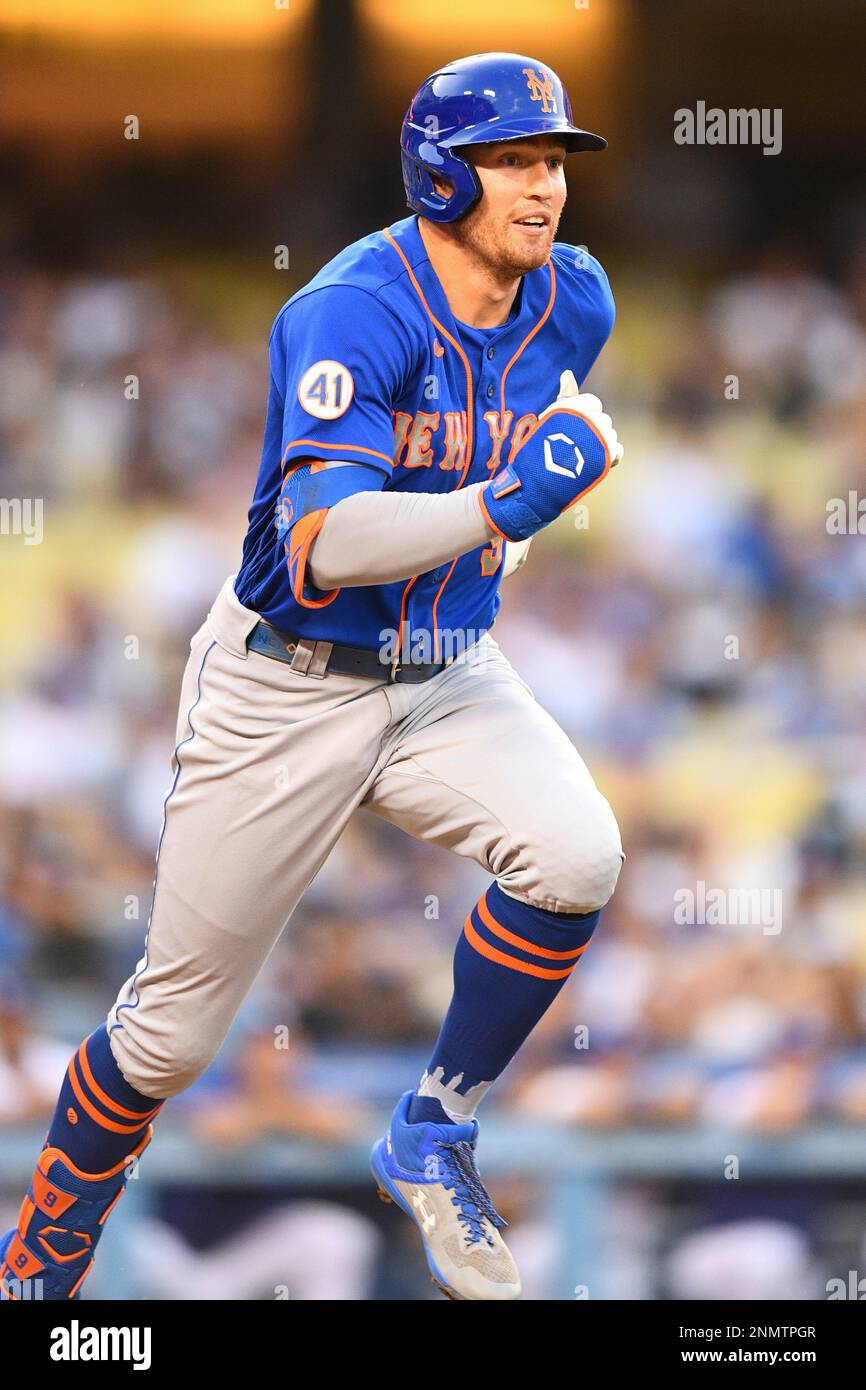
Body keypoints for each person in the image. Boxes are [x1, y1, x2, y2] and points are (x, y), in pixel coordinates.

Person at [1, 51, 624, 1303]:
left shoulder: (577, 300)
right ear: (440, 175)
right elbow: (326, 544)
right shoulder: (352, 308)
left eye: (553, 159)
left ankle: (432, 1129)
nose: (544, 185)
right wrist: (508, 501)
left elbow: (504, 462)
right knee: (170, 1037)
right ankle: (44, 1253)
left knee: (576, 856)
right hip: (288, 681)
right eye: (511, 160)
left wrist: (512, 505)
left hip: (445, 666)